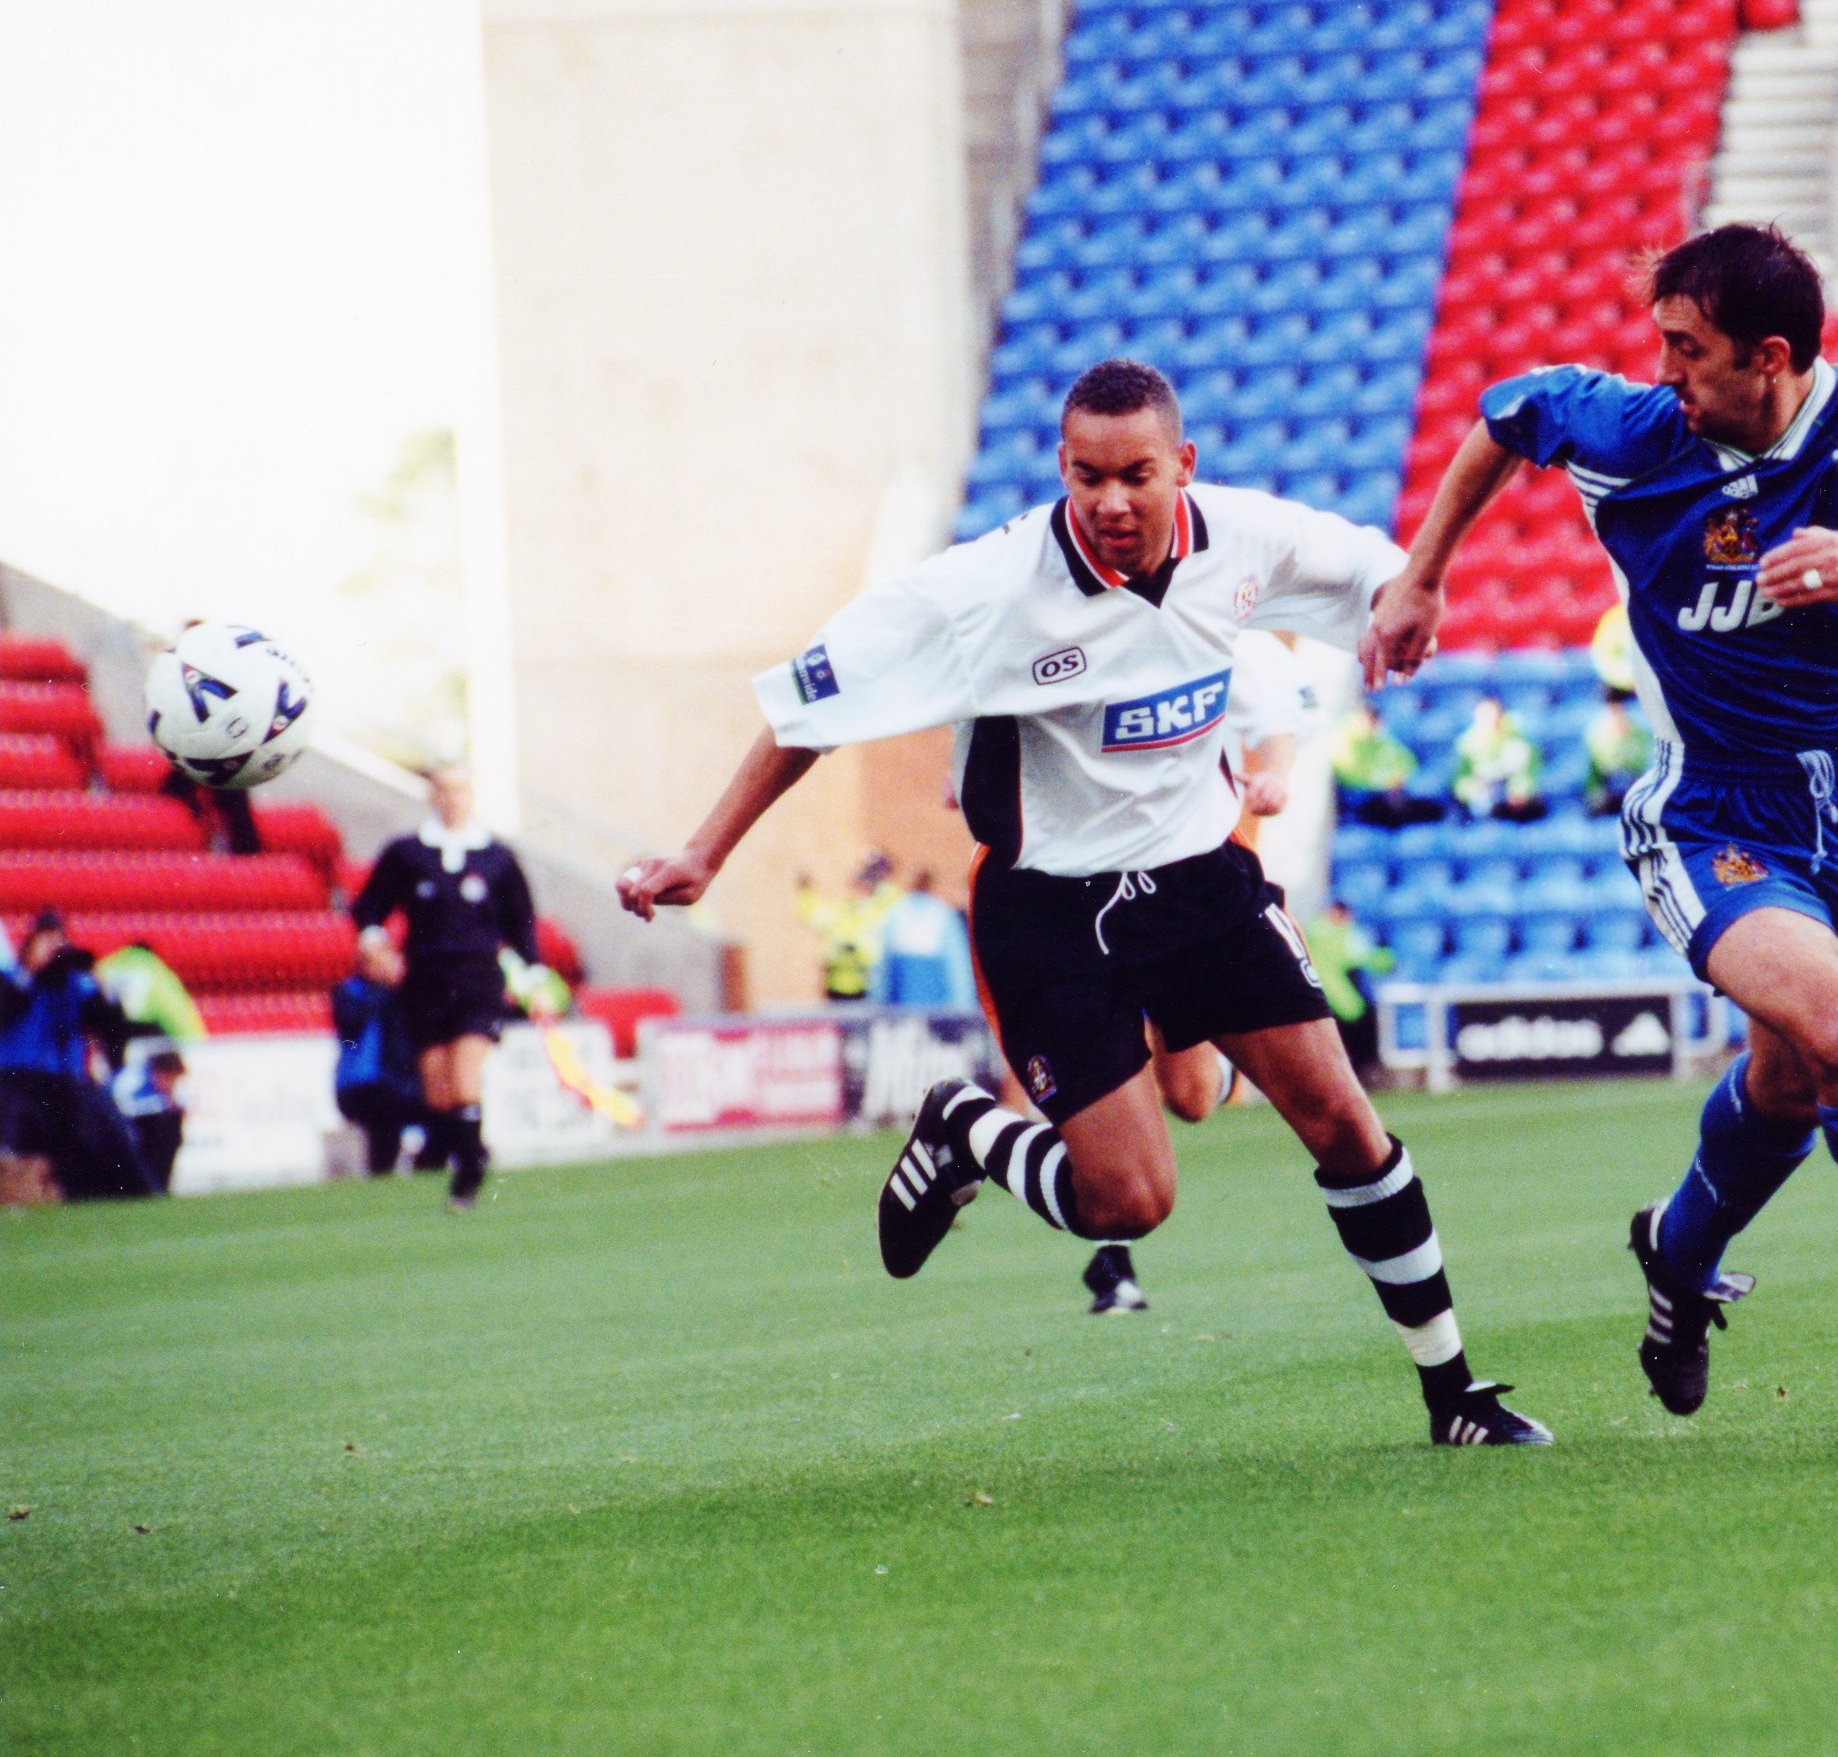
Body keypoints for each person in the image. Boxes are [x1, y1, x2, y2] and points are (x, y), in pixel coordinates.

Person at [618, 357, 1549, 1448]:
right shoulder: (985, 588)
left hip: (1202, 885)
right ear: (1061, 468)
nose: (1109, 502)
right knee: (1127, 1203)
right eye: (1085, 476)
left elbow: (1390, 576)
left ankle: (1454, 1397)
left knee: (1346, 1124)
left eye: (1135, 476)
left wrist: (1413, 604)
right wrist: (703, 851)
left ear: (1181, 467)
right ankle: (966, 1130)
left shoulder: (1246, 539)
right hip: (1050, 911)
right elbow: (810, 708)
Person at [1365, 222, 1838, 1414]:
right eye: (1657, 343)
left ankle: (1675, 1256)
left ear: (1768, 356)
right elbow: (1506, 416)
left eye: (1687, 348)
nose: (1660, 371)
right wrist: (1423, 576)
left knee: (1786, 1083)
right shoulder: (1631, 433)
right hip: (1710, 806)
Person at [1082, 628, 1311, 1317]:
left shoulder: (1241, 645)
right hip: (1098, 897)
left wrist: (1274, 776)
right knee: (1108, 1076)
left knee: (1191, 1099)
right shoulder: (1100, 636)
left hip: (1202, 904)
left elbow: (1278, 725)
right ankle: (1111, 1262)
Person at [348, 763, 536, 1212]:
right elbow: (368, 907)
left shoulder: (497, 857)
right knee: (438, 1092)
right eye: (444, 791)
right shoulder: (408, 853)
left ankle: (469, 1173)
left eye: (461, 790)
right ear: (432, 796)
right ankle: (467, 1151)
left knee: (465, 1075)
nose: (453, 799)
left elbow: (522, 924)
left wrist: (530, 976)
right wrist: (376, 945)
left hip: (477, 979)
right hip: (425, 982)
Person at [0, 913, 151, 1199]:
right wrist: (30, 972)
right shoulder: (11, 980)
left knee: (101, 1128)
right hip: (16, 1080)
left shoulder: (75, 984)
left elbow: (111, 1028)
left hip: (66, 1081)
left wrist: (100, 986)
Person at [331, 950, 429, 1175]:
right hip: (362, 1083)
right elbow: (350, 1026)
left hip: (398, 1081)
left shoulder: (403, 994)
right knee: (385, 1126)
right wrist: (381, 990)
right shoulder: (349, 991)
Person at [1302, 900, 1395, 1078]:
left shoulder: (1311, 930)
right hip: (1340, 996)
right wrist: (1388, 960)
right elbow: (1364, 957)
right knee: (1357, 1031)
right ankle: (1361, 1072)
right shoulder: (1342, 934)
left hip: (1317, 993)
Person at [798, 853, 900, 1003]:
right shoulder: (840, 912)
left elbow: (894, 903)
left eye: (865, 886)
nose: (860, 891)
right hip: (836, 987)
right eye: (857, 885)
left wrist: (883, 872)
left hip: (867, 987)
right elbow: (812, 915)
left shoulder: (879, 914)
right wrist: (805, 892)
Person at [872, 872, 979, 1011]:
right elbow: (958, 966)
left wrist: (878, 999)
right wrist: (963, 1005)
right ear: (931, 886)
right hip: (935, 999)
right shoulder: (942, 914)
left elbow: (881, 964)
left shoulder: (895, 912)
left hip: (901, 998)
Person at [1326, 701, 1442, 828]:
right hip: (1364, 793)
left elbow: (1404, 759)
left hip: (1387, 789)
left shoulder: (1380, 737)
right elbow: (1348, 773)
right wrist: (1383, 782)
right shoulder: (1346, 738)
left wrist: (1398, 778)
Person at [1448, 694, 1548, 822]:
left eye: (1494, 716)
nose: (1490, 721)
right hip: (1483, 799)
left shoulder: (1520, 741)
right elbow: (1459, 782)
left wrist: (1521, 791)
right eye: (1484, 717)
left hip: (1515, 801)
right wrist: (1473, 790)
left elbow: (1531, 773)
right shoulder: (1466, 744)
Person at [109, 1043, 188, 1191]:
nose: (171, 1086)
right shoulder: (130, 1080)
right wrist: (162, 1104)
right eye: (170, 1080)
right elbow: (119, 1107)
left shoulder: (158, 1089)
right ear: (159, 1073)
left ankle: (160, 1184)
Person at [1581, 694, 1654, 817]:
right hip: (1608, 788)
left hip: (1634, 785)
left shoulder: (1640, 735)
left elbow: (1645, 765)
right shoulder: (1595, 737)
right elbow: (1592, 775)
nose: (1617, 718)